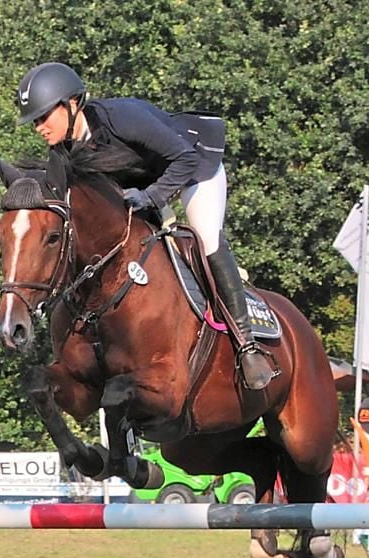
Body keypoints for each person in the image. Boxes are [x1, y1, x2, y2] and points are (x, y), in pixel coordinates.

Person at [15, 61, 275, 391]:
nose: (39, 127)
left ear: (72, 103)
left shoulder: (122, 118)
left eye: (43, 117)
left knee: (206, 238)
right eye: (34, 121)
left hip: (193, 168)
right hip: (146, 186)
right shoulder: (62, 150)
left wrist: (153, 196)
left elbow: (185, 159)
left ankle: (246, 344)